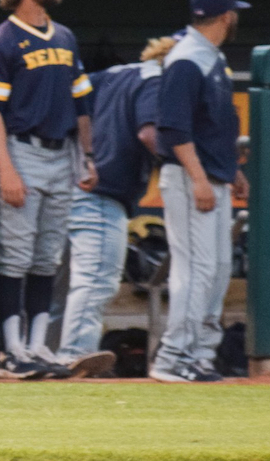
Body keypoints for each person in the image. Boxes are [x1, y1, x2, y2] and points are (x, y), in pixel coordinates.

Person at [0, 0, 97, 380]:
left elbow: (81, 103)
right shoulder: (2, 41)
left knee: (47, 258)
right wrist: (6, 168)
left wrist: (87, 157)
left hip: (62, 153)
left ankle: (37, 347)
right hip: (22, 150)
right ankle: (11, 352)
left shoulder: (65, 37)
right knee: (16, 256)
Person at [54, 35, 178, 378]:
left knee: (70, 281)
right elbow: (149, 134)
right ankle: (73, 357)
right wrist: (188, 163)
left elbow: (66, 106)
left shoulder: (114, 74)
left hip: (71, 184)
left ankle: (61, 356)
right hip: (99, 190)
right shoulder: (156, 79)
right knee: (95, 280)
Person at [149, 0, 250, 383]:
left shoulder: (209, 57)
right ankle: (173, 357)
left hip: (214, 176)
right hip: (192, 180)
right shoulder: (188, 58)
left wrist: (233, 172)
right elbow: (173, 129)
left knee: (219, 268)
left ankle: (200, 354)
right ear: (226, 16)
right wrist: (199, 179)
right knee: (196, 270)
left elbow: (214, 128)